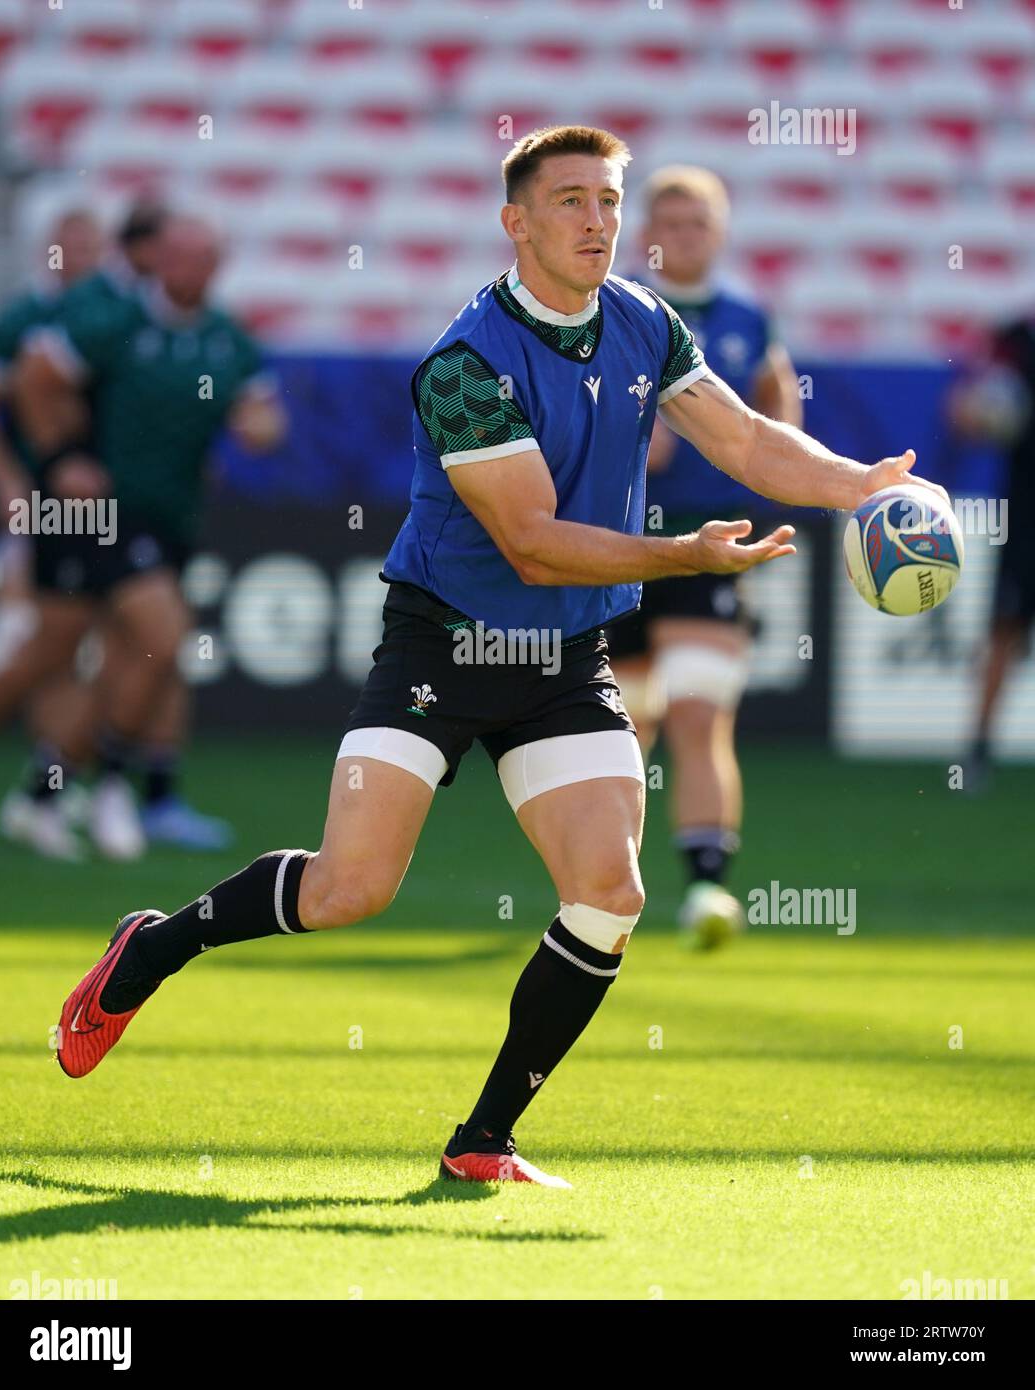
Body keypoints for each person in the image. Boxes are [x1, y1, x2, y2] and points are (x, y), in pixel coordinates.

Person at [55, 126, 946, 1188]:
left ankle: (483, 1139)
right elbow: (530, 542)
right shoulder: (465, 363)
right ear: (514, 221)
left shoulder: (643, 322)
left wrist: (859, 485)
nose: (596, 222)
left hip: (565, 658)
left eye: (608, 201)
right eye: (569, 201)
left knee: (607, 892)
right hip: (444, 643)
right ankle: (153, 947)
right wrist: (682, 555)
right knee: (351, 890)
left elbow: (746, 440)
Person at [0, 213, 284, 858]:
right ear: (150, 260)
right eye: (170, 256)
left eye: (195, 257)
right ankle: (114, 782)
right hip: (97, 514)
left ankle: (43, 795)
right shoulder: (112, 318)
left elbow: (260, 410)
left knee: (68, 654)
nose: (180, 268)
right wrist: (59, 456)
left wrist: (258, 425)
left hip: (167, 518)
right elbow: (34, 379)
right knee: (159, 635)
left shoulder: (225, 338)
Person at [607, 166, 802, 948]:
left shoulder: (747, 318)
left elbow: (776, 403)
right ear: (647, 234)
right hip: (616, 543)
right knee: (620, 728)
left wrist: (776, 467)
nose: (683, 237)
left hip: (709, 538)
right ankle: (604, 890)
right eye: (670, 223)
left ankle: (706, 889)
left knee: (696, 712)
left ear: (718, 234)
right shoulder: (612, 310)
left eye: (698, 224)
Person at [0, 208, 104, 852]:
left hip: (96, 511)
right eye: (70, 242)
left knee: (71, 652)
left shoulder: (109, 317)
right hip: (41, 506)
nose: (81, 254)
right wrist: (6, 482)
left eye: (91, 242)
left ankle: (48, 791)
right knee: (31, 640)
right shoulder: (21, 318)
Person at [950, 316, 1035, 787]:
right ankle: (978, 749)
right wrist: (982, 410)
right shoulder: (1015, 341)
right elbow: (962, 414)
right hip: (1026, 520)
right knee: (1004, 631)